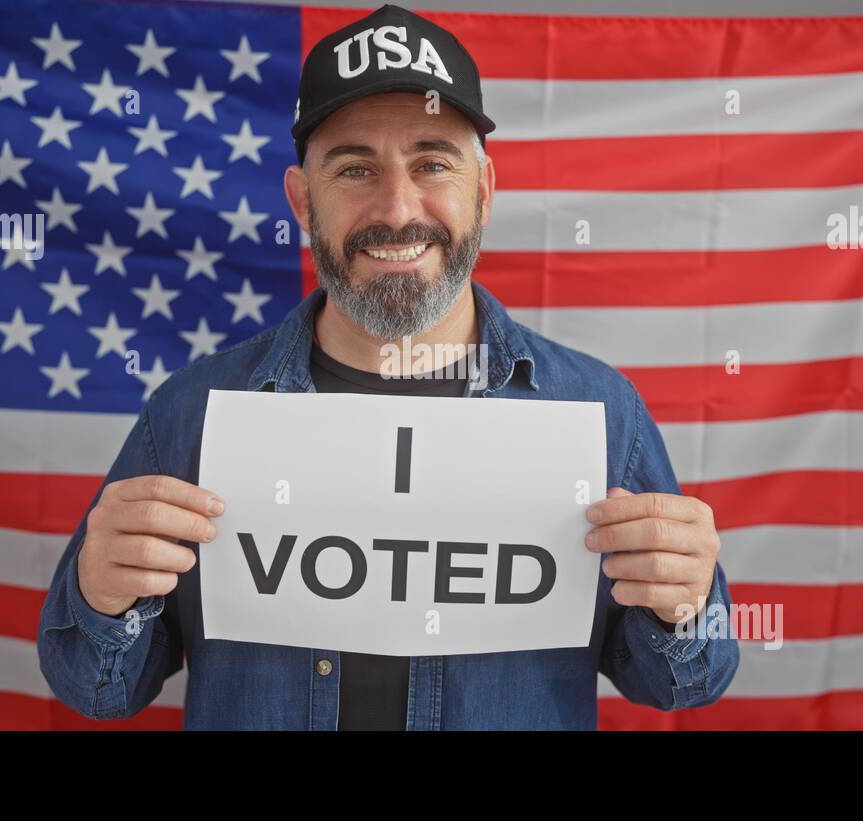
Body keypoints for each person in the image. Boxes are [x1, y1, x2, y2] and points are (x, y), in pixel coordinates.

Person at [37, 3, 739, 730]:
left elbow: (683, 685)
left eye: (432, 162)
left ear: (485, 191)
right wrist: (100, 594)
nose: (397, 208)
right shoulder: (193, 412)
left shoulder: (598, 411)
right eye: (354, 168)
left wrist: (685, 605)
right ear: (303, 201)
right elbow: (96, 688)